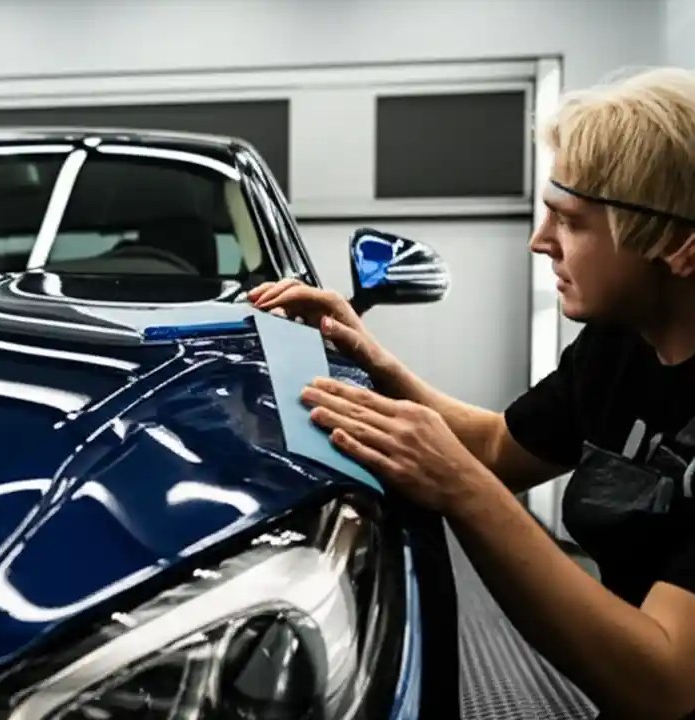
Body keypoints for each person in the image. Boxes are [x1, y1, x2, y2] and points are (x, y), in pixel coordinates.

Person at [249, 66, 695, 720]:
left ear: (681, 247)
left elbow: (664, 682)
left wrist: (461, 488)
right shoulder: (618, 344)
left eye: (570, 222)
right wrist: (374, 360)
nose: (540, 241)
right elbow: (497, 447)